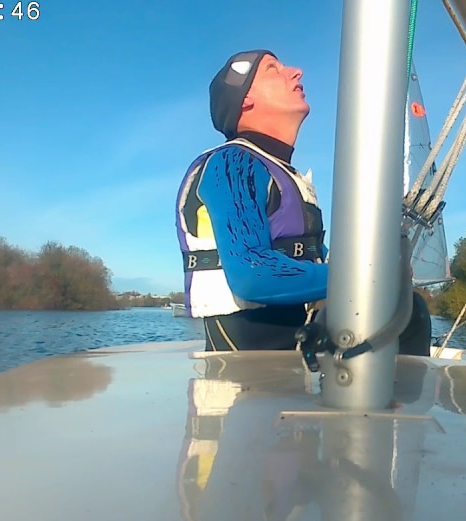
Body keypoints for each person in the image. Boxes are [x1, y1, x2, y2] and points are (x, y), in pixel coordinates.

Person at [175, 49, 432, 354]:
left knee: (405, 307)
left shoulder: (286, 176)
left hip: (298, 340)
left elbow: (316, 259)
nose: (296, 71)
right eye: (273, 69)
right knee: (400, 304)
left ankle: (393, 399)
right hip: (247, 366)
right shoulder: (230, 164)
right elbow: (251, 275)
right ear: (245, 101)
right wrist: (369, 275)